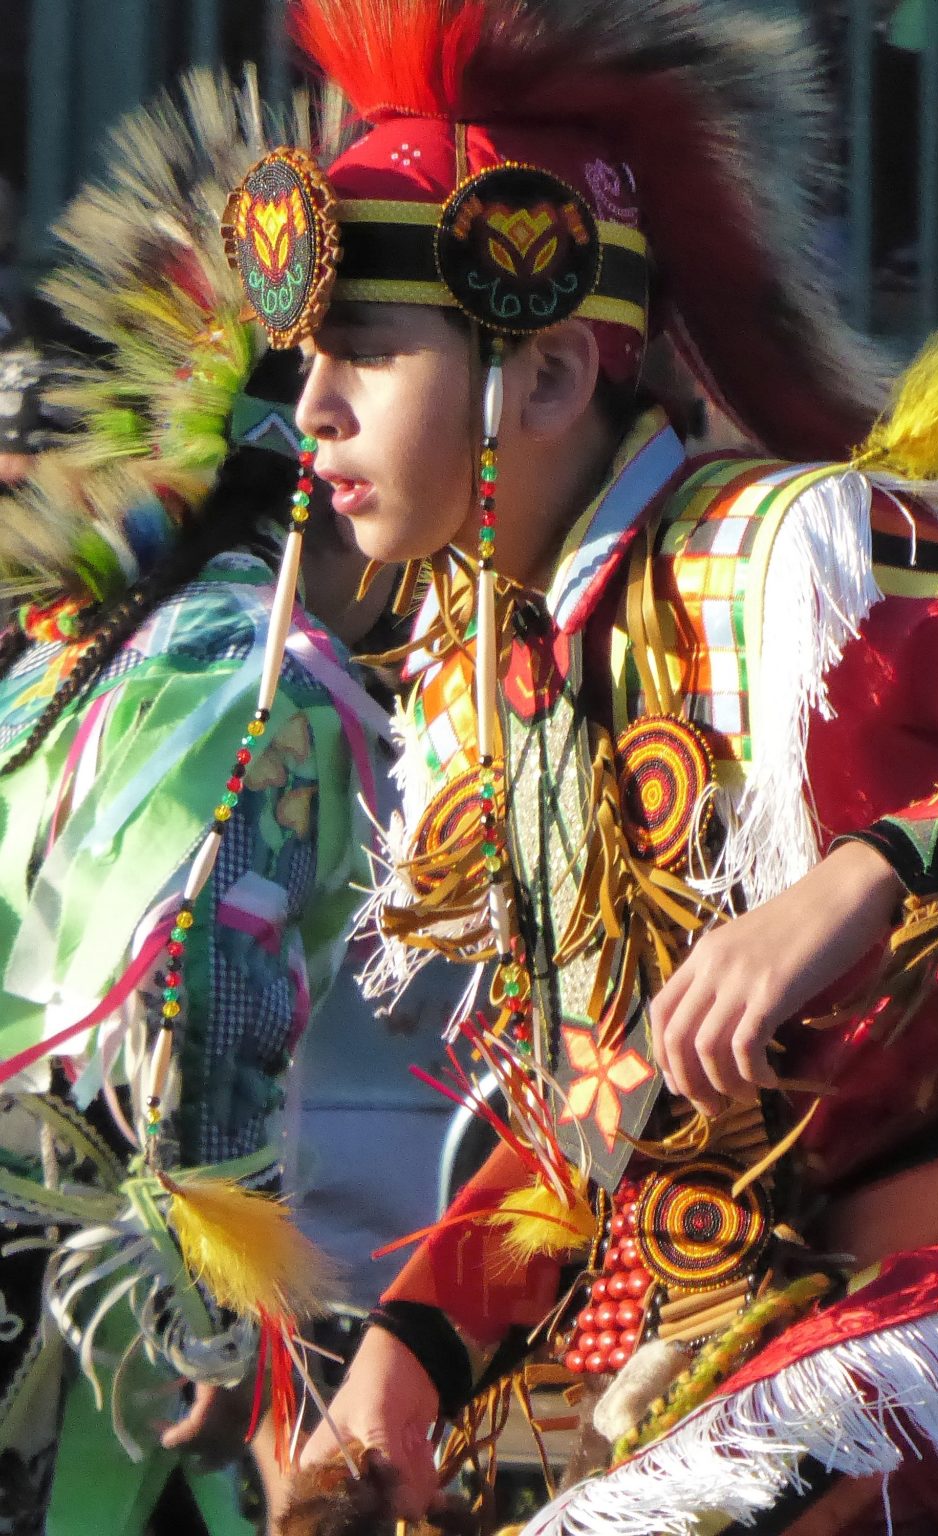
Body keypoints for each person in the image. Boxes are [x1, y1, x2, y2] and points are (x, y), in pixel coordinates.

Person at [226, 5, 938, 1535]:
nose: (312, 408)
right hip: (740, 1330)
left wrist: (858, 876)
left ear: (556, 376)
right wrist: (407, 1362)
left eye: (367, 347)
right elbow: (600, 1105)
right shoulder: (509, 674)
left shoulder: (796, 562)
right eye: (312, 356)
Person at [0, 72, 393, 1536]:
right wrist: (220, 1311)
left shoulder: (88, 654)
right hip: (98, 1302)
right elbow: (212, 972)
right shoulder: (258, 682)